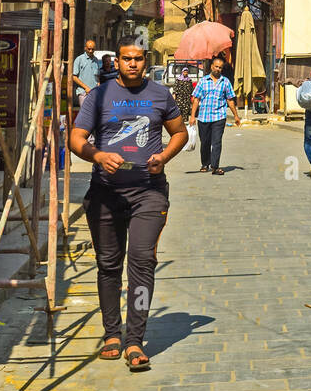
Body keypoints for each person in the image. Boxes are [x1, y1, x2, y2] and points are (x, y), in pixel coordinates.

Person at [69, 40, 187, 371]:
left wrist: (164, 156)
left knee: (141, 260)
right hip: (105, 192)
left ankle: (134, 340)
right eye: (126, 59)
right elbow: (76, 139)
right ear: (117, 62)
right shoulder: (98, 96)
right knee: (108, 263)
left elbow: (180, 133)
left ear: (145, 61)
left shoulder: (160, 94)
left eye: (137, 59)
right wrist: (97, 155)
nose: (132, 64)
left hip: (148, 191)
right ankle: (112, 333)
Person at [189, 56, 240, 174]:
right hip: (203, 117)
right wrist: (192, 117)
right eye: (216, 67)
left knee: (216, 142)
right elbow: (196, 99)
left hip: (219, 117)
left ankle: (215, 167)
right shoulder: (203, 81)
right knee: (205, 142)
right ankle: (205, 164)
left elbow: (230, 100)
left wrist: (236, 116)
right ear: (212, 67)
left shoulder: (225, 82)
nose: (218, 69)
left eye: (220, 68)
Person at [71, 39, 102, 105]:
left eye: (92, 49)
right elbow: (74, 77)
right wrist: (86, 87)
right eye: (89, 49)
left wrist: (98, 87)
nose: (91, 51)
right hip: (84, 93)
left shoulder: (96, 60)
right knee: (85, 114)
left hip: (94, 93)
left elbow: (97, 77)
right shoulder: (79, 59)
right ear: (85, 48)